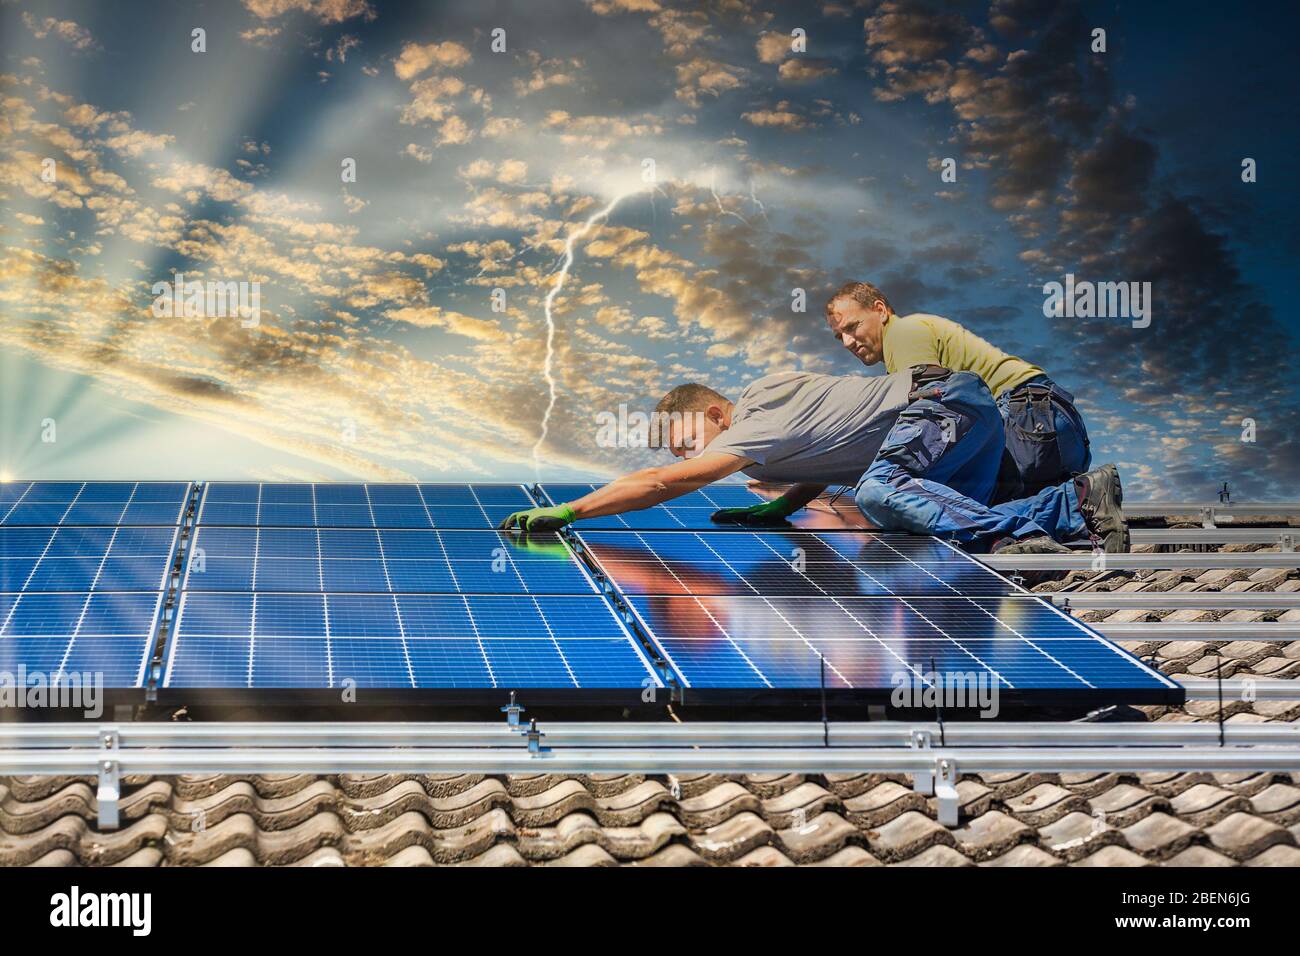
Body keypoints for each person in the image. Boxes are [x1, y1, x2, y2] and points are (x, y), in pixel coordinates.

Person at [500, 366, 1128, 555]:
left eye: (684, 435)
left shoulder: (752, 417)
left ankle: (1042, 522)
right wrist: (779, 507)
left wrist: (576, 509)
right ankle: (1076, 504)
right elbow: (828, 454)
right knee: (925, 514)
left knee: (881, 495)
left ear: (714, 413)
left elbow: (664, 482)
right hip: (949, 422)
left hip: (941, 404)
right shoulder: (773, 425)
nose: (686, 452)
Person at [825, 280, 1091, 501]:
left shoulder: (902, 333)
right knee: (1035, 520)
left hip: (1025, 418)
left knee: (942, 501)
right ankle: (1087, 498)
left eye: (852, 327)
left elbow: (924, 414)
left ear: (880, 310)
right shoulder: (914, 334)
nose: (847, 342)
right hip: (1057, 424)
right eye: (839, 337)